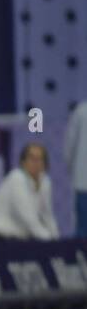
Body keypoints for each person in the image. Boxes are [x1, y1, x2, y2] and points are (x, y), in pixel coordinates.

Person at [0, 143, 58, 241]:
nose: (36, 163)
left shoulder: (45, 182)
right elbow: (28, 218)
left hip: (20, 238)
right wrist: (50, 243)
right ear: (23, 162)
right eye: (32, 158)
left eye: (40, 159)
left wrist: (57, 241)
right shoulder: (16, 178)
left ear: (45, 164)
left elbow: (47, 215)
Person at [66, 99, 87, 238]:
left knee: (83, 227)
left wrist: (71, 169)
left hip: (83, 180)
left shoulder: (81, 111)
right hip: (83, 182)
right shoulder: (81, 111)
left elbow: (69, 146)